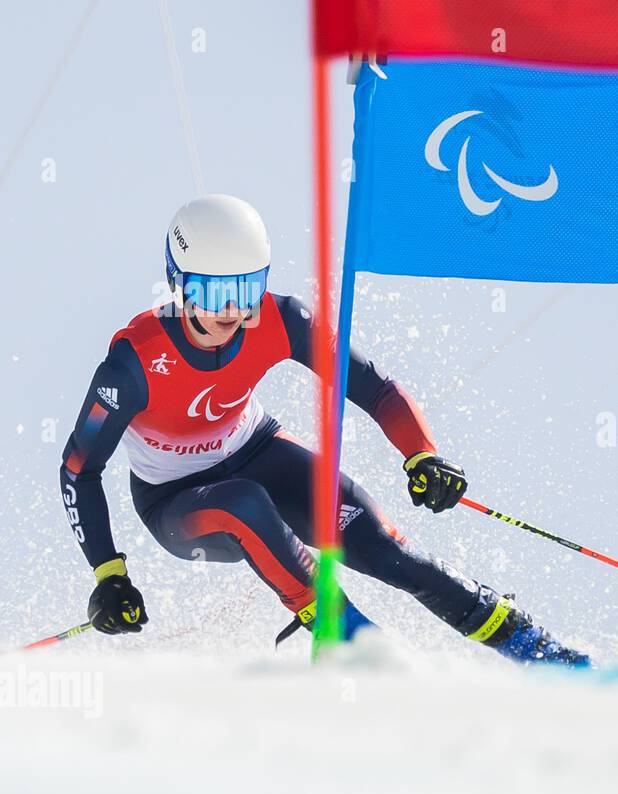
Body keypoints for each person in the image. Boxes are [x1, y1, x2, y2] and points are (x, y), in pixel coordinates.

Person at [59, 194, 588, 666]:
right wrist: (108, 574)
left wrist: (422, 455)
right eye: (213, 291)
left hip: (259, 450)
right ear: (179, 283)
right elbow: (79, 471)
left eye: (246, 289)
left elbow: (375, 387)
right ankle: (345, 637)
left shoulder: (279, 319)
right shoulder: (133, 364)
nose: (231, 310)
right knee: (242, 502)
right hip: (176, 500)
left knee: (391, 555)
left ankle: (538, 649)